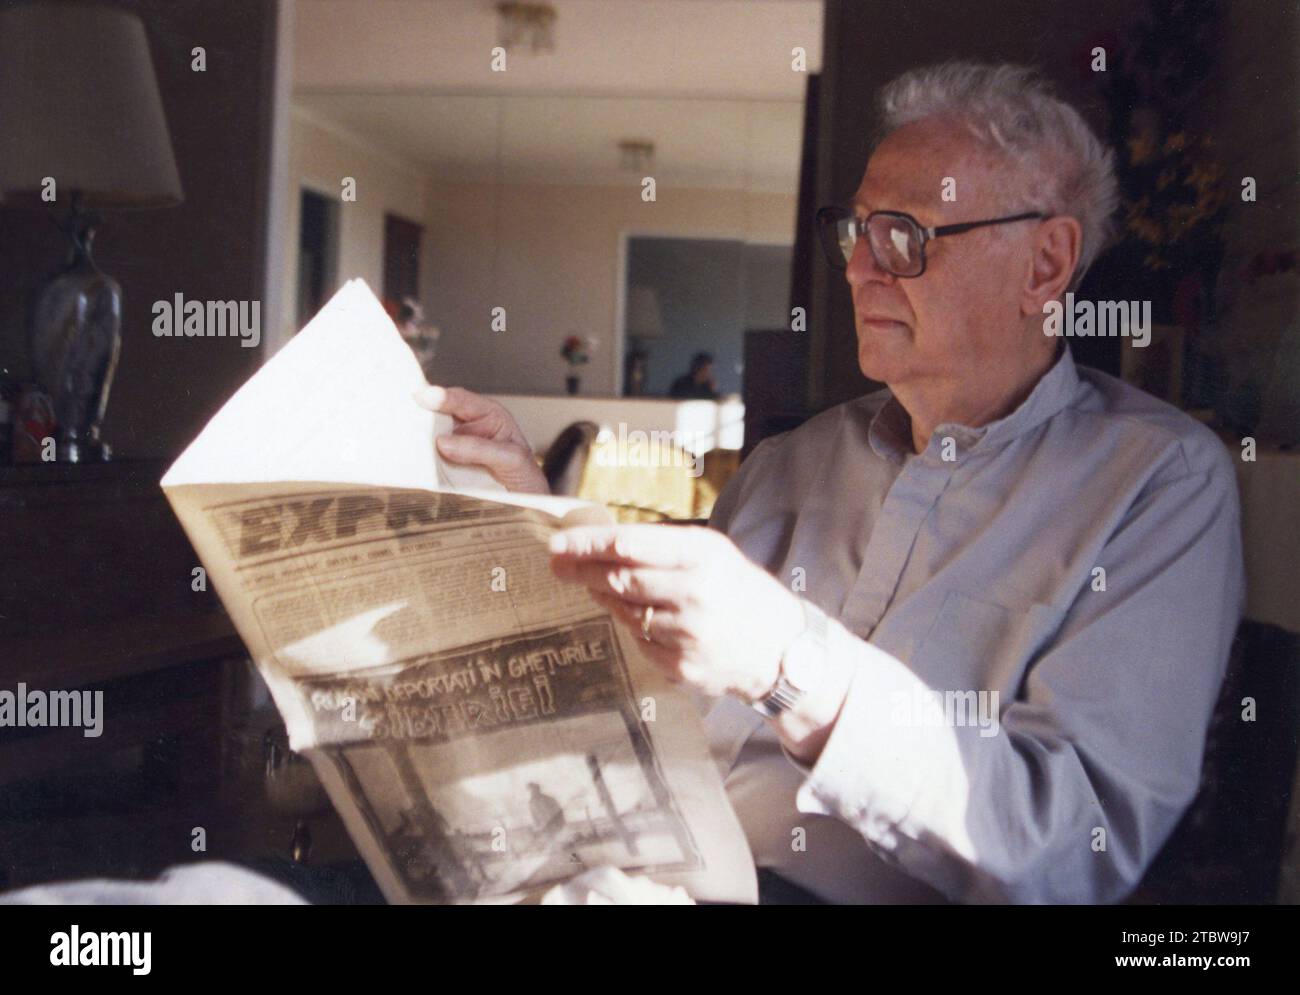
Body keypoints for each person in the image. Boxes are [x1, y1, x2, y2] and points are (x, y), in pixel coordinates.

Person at [416, 62, 1244, 903]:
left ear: (1044, 263)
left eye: (905, 237)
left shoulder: (1155, 483)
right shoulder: (790, 463)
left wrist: (786, 661)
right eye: (856, 234)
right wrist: (530, 516)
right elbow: (648, 695)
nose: (857, 272)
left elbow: (1071, 845)